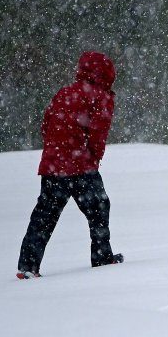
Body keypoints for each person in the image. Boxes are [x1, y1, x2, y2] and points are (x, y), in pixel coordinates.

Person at [16, 51, 124, 279]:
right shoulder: (101, 96)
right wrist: (92, 157)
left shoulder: (65, 93)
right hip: (81, 166)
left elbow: (46, 124)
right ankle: (102, 257)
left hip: (54, 166)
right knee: (99, 210)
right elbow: (98, 132)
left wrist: (57, 153)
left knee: (44, 216)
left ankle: (28, 266)